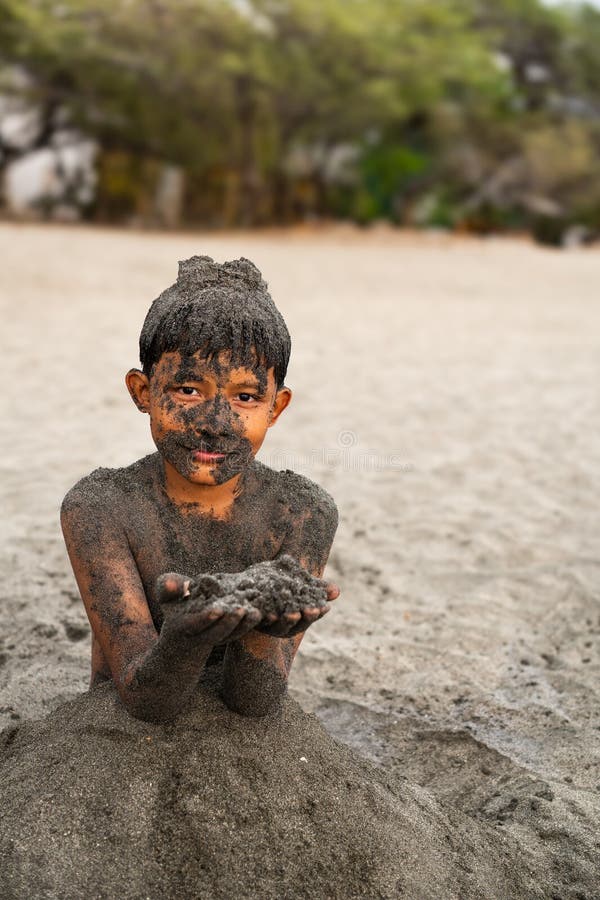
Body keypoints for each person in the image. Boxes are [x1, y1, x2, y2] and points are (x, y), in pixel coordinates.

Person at [61, 255, 339, 723]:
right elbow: (145, 701)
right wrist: (185, 637)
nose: (215, 424)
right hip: (119, 738)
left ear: (277, 406)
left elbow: (252, 703)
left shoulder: (303, 513)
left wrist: (261, 629)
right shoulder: (100, 507)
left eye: (245, 398)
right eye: (188, 390)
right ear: (143, 391)